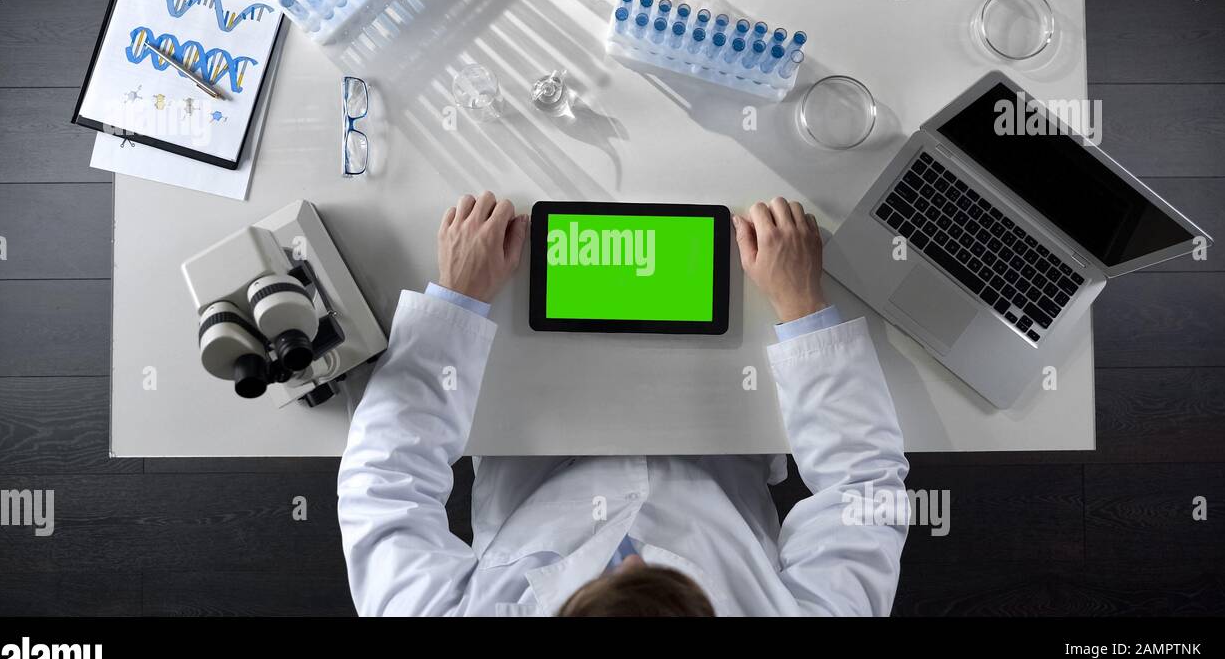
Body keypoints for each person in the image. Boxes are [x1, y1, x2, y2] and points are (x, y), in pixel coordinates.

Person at [338, 191, 910, 616]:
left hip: (532, 443)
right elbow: (863, 493)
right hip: (720, 446)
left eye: (613, 580)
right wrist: (804, 306)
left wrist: (456, 299)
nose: (635, 556)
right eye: (672, 581)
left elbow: (383, 488)